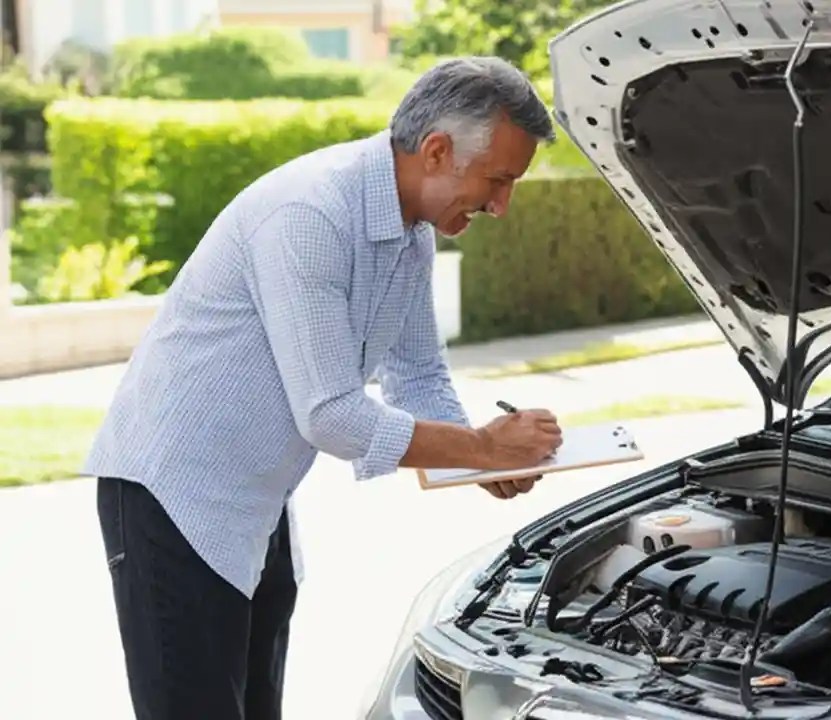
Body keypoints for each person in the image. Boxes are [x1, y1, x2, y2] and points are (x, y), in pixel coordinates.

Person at [82, 56, 563, 720]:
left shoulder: (412, 237)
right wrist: (481, 447)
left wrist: (480, 463)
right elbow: (331, 415)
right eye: (499, 180)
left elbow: (418, 376)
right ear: (436, 151)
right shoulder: (310, 215)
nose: (502, 206)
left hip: (259, 505)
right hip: (172, 499)